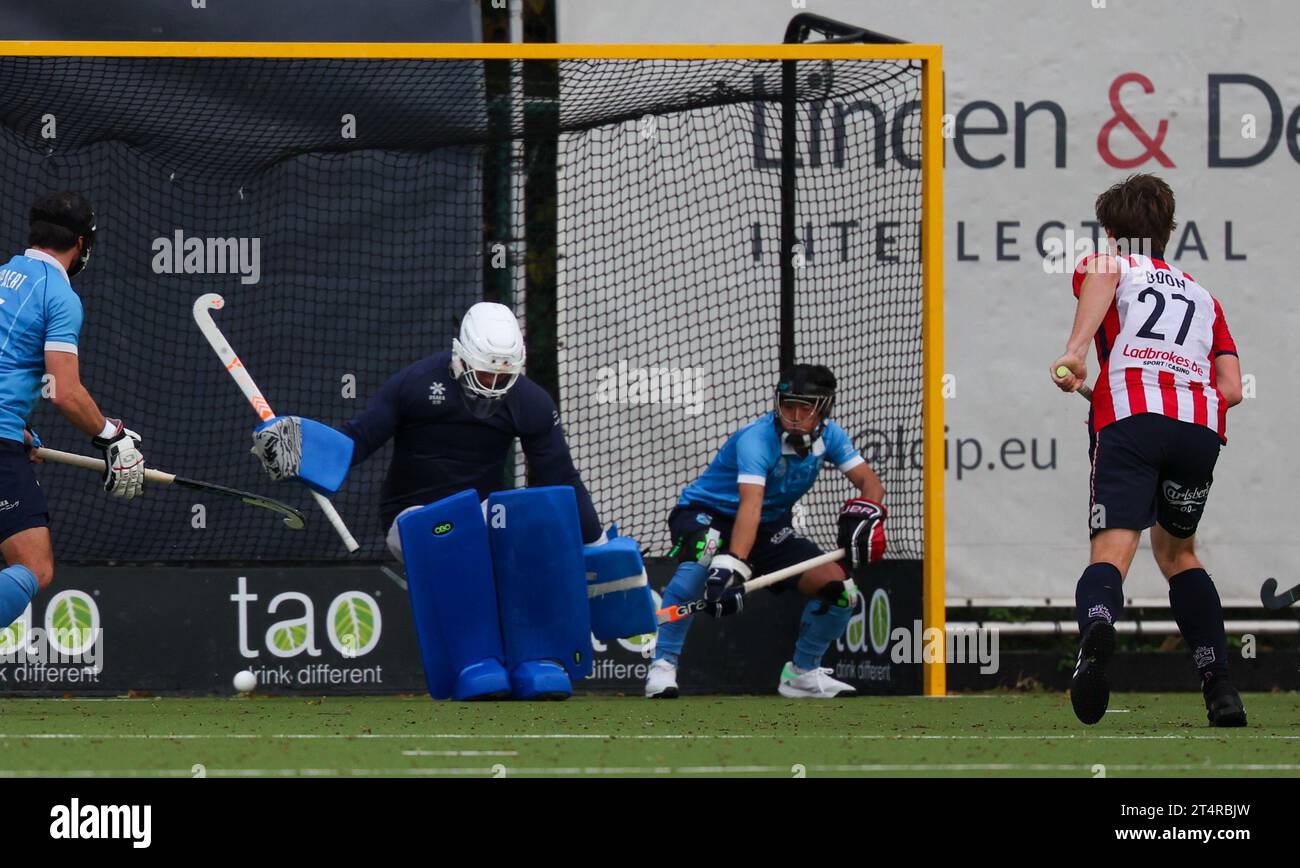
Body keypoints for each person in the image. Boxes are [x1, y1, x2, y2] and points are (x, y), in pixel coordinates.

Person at [1051, 173, 1245, 727]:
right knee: (1179, 554)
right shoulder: (1206, 297)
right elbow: (1230, 388)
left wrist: (1076, 353)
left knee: (1112, 553)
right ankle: (1221, 688)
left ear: (1112, 232)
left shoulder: (1111, 261)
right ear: (1167, 231)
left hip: (1132, 421)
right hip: (1198, 429)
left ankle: (1098, 627)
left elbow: (1104, 272)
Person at [251, 301, 606, 559]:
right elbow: (357, 441)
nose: (492, 385)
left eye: (503, 377)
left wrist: (598, 546)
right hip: (411, 520)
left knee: (526, 523)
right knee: (454, 534)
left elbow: (560, 477)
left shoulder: (531, 402)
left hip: (481, 518)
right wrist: (298, 447)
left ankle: (529, 658)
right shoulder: (416, 383)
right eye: (485, 374)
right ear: (461, 356)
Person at [645, 363, 887, 699]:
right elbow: (750, 504)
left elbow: (868, 481)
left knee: (842, 592)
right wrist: (733, 565)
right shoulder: (757, 439)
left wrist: (870, 512)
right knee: (704, 557)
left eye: (805, 408)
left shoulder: (832, 436)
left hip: (769, 526)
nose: (795, 416)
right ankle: (662, 665)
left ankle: (802, 675)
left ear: (824, 409)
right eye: (788, 406)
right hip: (708, 514)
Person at [0, 192, 146, 633]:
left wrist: (19, 431)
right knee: (34, 567)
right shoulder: (57, 294)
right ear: (82, 244)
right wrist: (112, 437)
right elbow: (64, 391)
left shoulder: (4, 274)